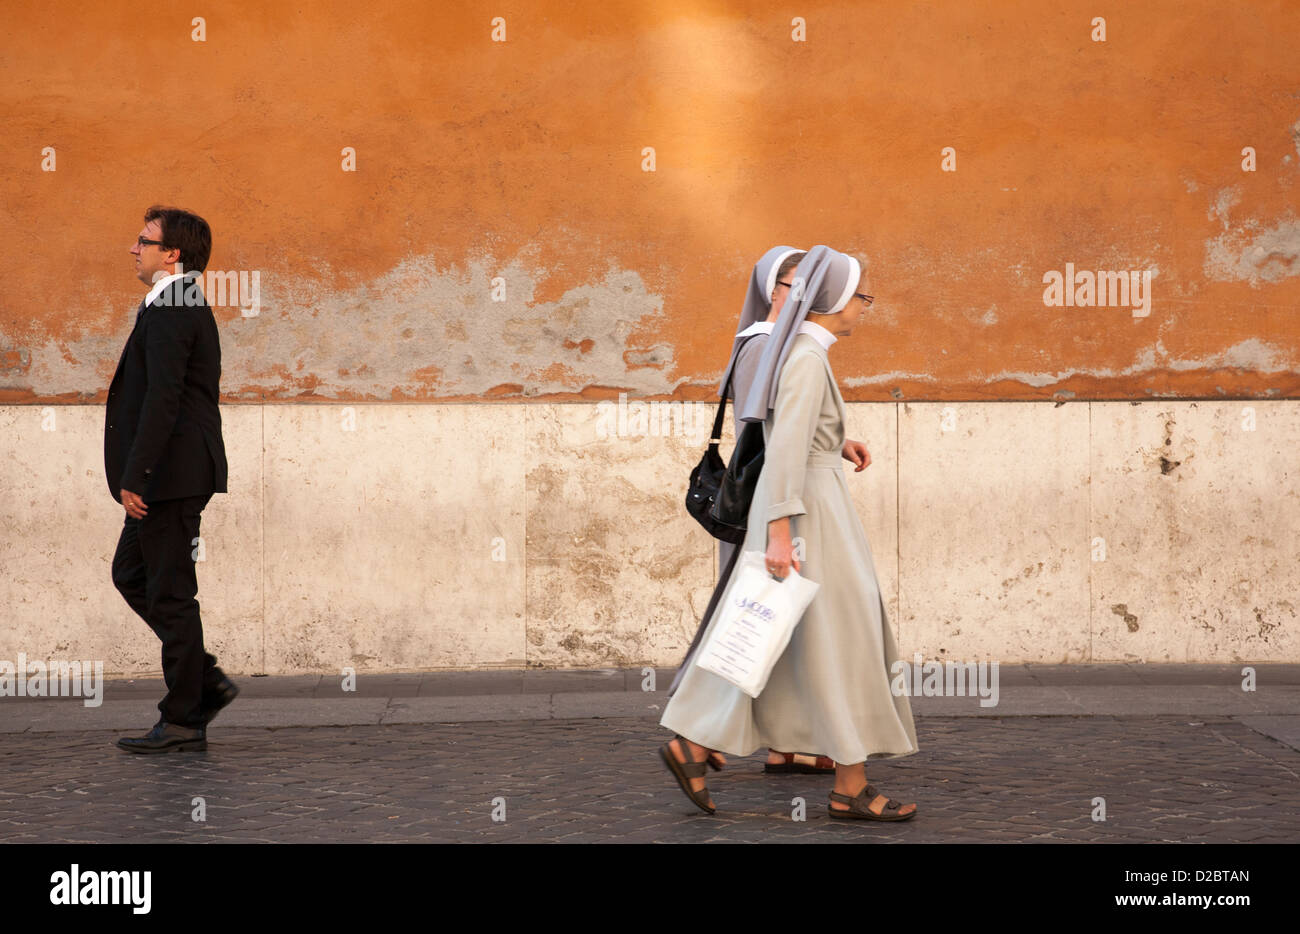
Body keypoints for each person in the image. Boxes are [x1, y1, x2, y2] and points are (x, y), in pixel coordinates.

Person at [659, 245, 919, 820]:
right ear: (831, 301)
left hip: (810, 506)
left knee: (799, 639)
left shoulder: (803, 352)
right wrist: (780, 533)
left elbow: (793, 433)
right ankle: (849, 787)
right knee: (846, 637)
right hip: (809, 516)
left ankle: (697, 742)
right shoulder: (803, 355)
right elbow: (780, 450)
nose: (863, 307)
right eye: (859, 296)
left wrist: (833, 444)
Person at [106, 205, 236, 753]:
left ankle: (183, 716)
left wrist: (139, 476)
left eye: (144, 241)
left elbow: (165, 399)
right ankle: (202, 682)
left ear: (172, 253)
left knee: (171, 592)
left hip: (171, 475)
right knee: (133, 575)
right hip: (172, 471)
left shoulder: (175, 305)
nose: (134, 249)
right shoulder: (169, 302)